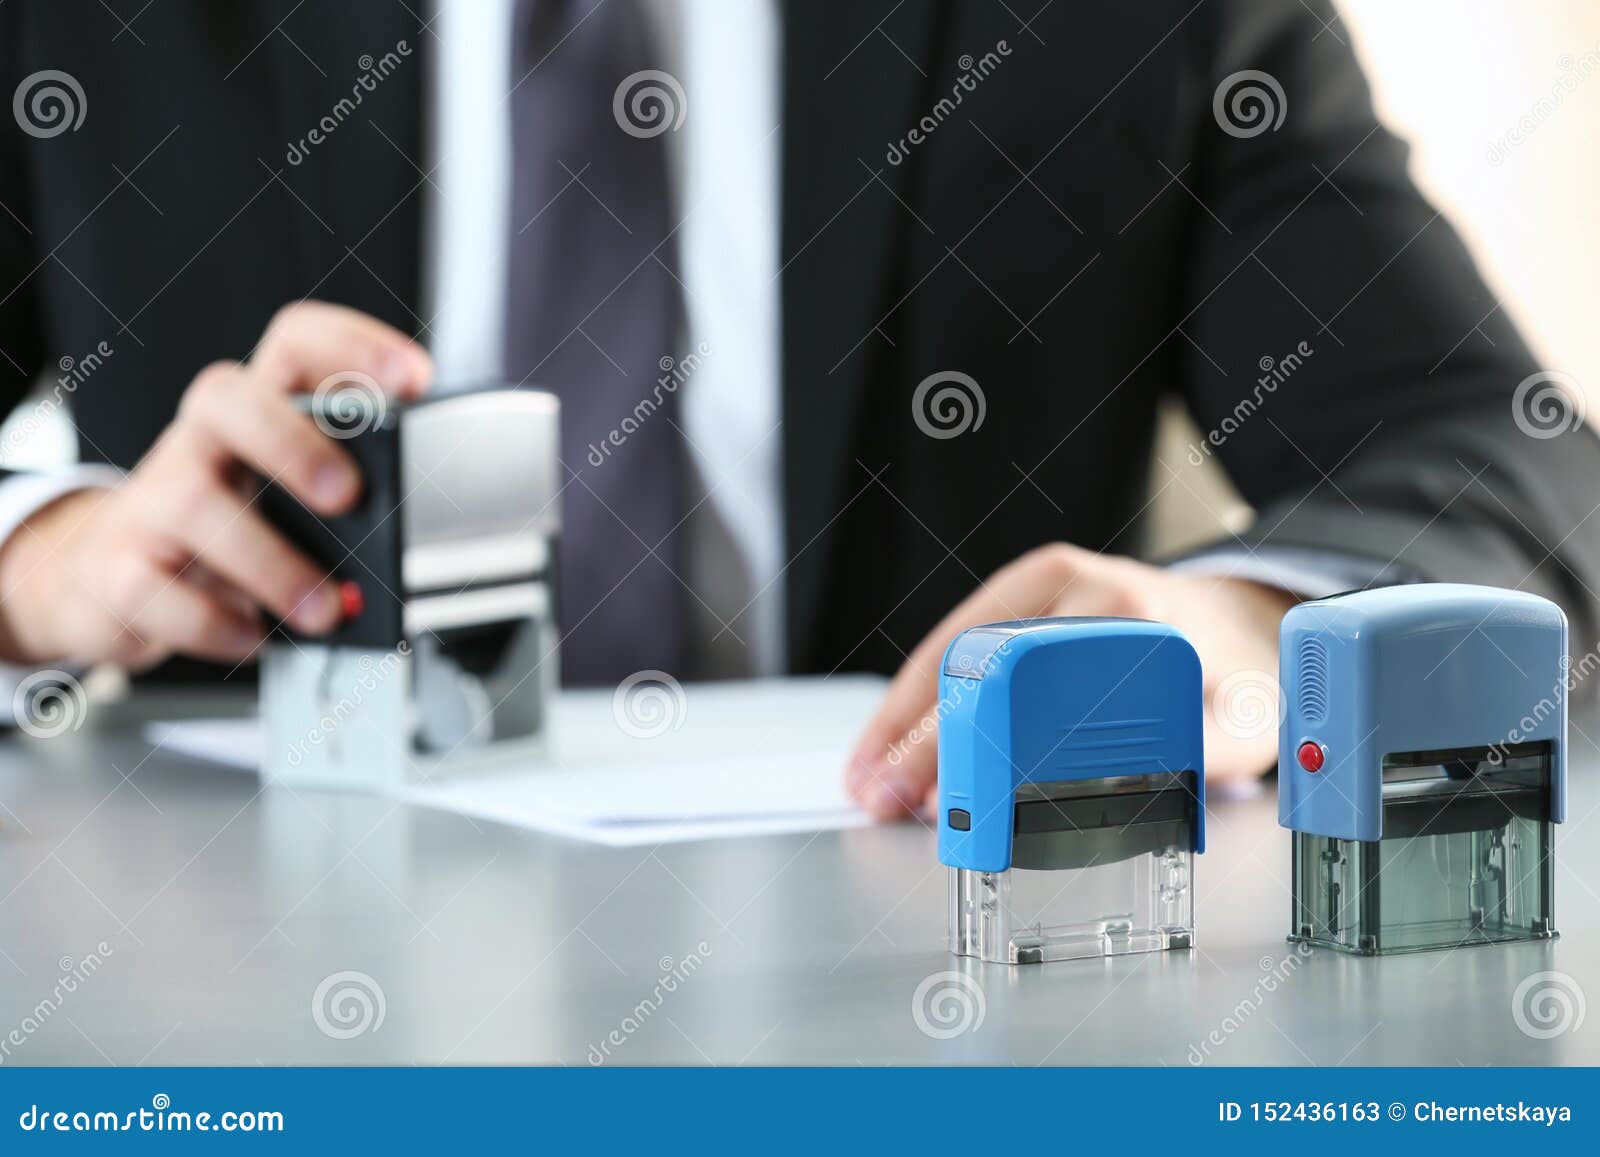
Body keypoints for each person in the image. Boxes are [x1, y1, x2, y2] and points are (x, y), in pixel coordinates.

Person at [1, 2, 1596, 821]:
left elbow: (1502, 442)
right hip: (237, 981)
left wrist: (1252, 630)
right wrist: (35, 560)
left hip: (926, 984)